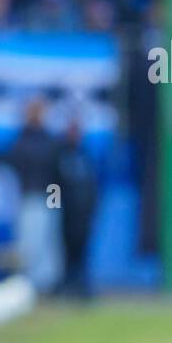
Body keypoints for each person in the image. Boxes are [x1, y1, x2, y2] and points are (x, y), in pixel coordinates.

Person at [8, 98, 63, 292]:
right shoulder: (23, 140)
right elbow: (22, 166)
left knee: (49, 243)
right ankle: (28, 286)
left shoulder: (49, 139)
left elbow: (55, 173)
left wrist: (55, 202)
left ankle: (46, 286)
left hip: (49, 197)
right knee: (31, 243)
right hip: (31, 196)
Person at [56, 119, 99, 298]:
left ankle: (82, 287)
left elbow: (92, 185)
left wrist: (91, 207)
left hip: (83, 214)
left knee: (83, 252)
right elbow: (53, 184)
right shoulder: (61, 155)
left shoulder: (85, 155)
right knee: (66, 252)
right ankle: (66, 286)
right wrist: (55, 207)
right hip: (66, 213)